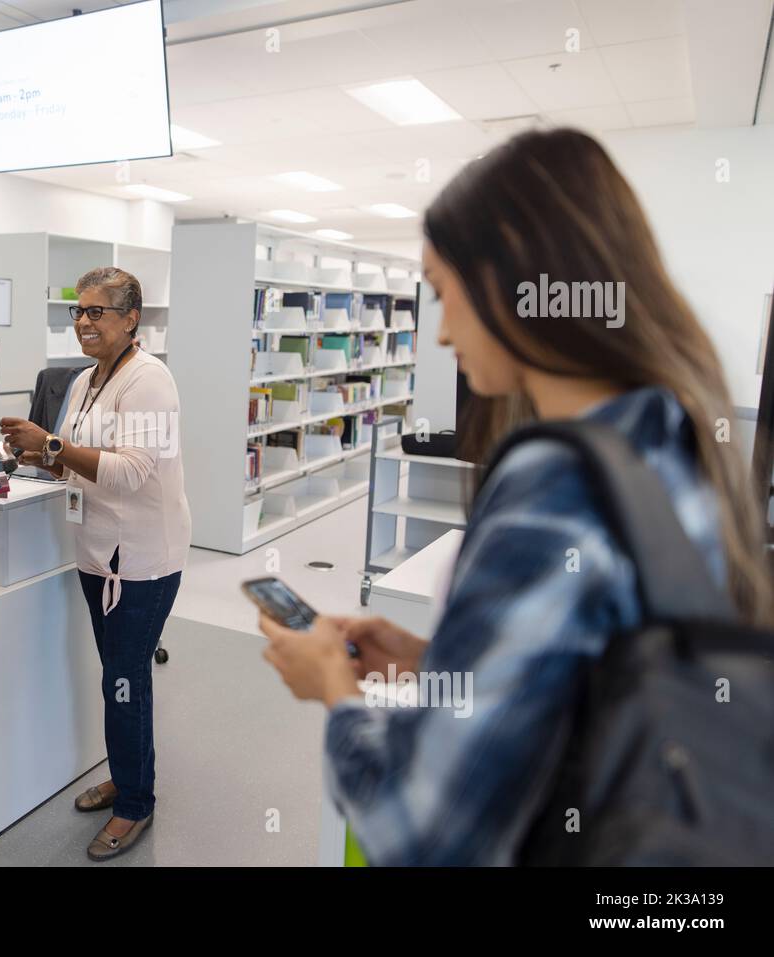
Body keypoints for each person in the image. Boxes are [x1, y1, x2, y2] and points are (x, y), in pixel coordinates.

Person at [259, 128, 774, 865]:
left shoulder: (555, 487)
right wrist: (436, 659)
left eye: (443, 293)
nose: (440, 335)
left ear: (508, 273)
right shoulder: (671, 435)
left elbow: (418, 827)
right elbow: (608, 683)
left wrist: (333, 688)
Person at [0, 267, 191, 861]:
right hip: (97, 553)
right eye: (77, 312)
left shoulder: (150, 382)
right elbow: (75, 463)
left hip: (142, 561)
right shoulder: (84, 381)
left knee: (124, 682)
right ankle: (128, 776)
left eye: (95, 312)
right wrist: (36, 452)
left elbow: (134, 471)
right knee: (118, 679)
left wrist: (52, 444)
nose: (82, 322)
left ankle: (134, 803)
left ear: (131, 318)